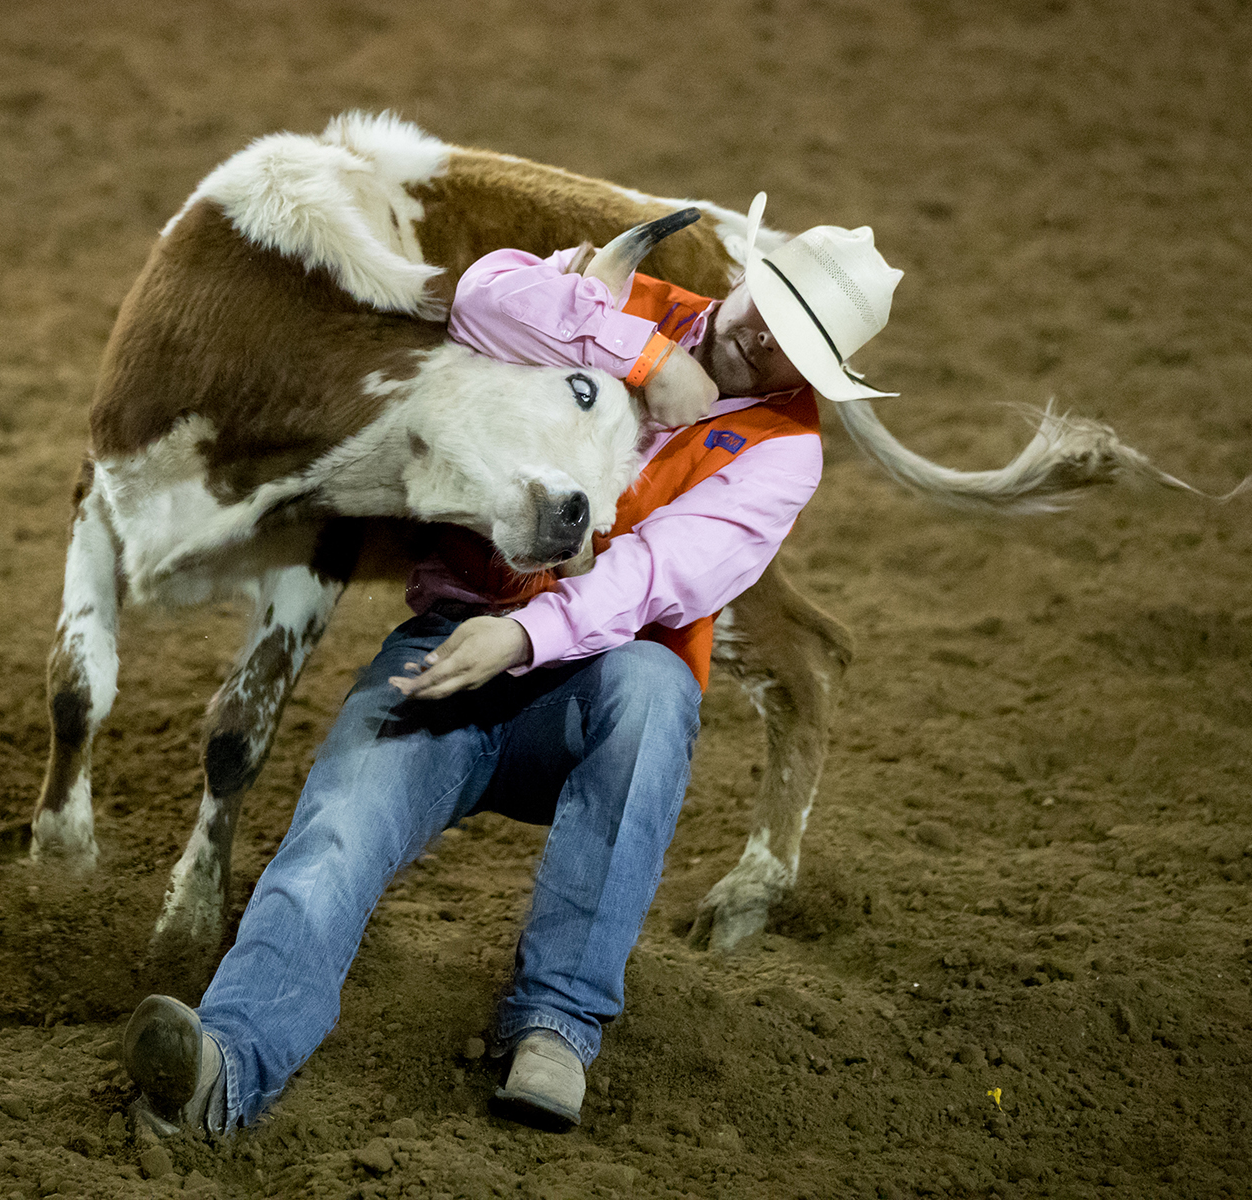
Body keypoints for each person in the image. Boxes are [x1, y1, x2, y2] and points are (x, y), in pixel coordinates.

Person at [123, 194, 904, 1135]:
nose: (765, 342)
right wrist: (644, 359)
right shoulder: (624, 303)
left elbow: (666, 575)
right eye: (766, 312)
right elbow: (486, 296)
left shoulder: (784, 456)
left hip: (594, 689)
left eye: (795, 348)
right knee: (343, 820)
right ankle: (225, 1066)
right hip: (453, 643)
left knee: (656, 685)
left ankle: (558, 1023)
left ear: (817, 375)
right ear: (744, 279)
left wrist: (527, 634)